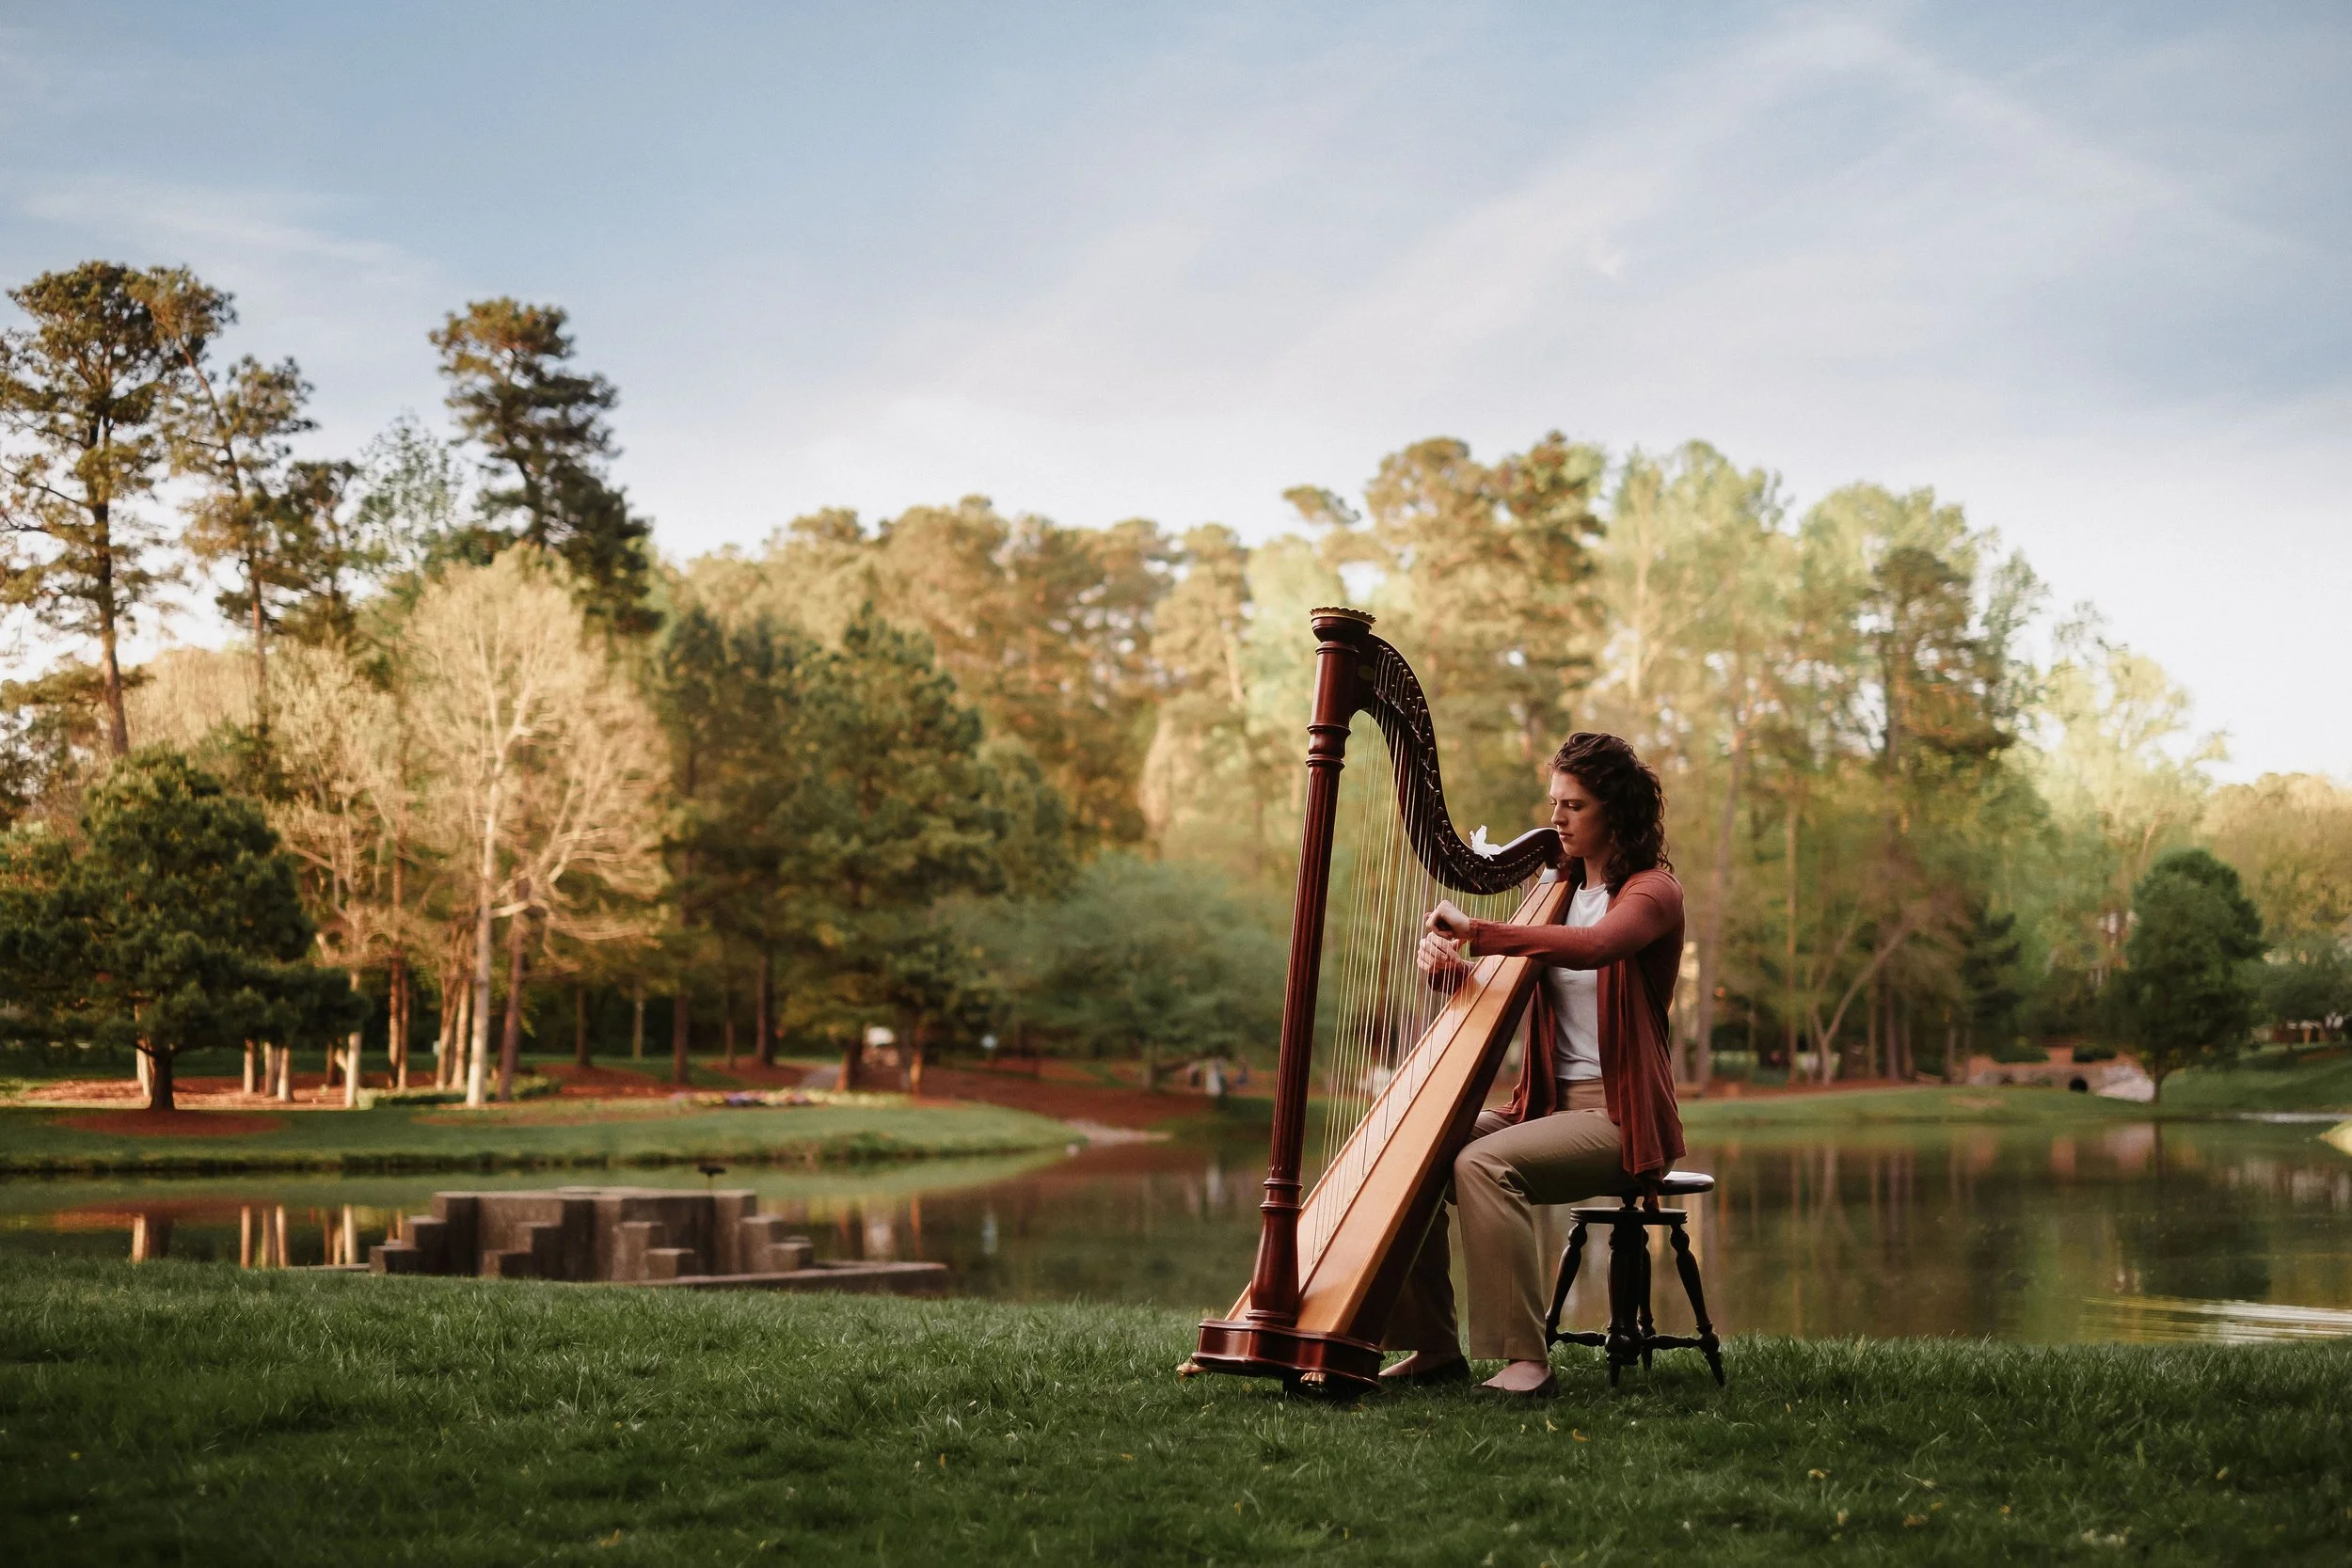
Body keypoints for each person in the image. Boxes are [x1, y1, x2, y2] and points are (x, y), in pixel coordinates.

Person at [1379, 731, 1686, 1396]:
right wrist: (1454, 972)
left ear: (1617, 810)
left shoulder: (1651, 893)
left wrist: (1481, 931)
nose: (1556, 818)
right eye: (1554, 802)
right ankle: (1434, 1346)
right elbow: (1509, 992)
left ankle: (1526, 1359)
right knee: (1416, 1146)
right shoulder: (1558, 894)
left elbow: (1598, 946)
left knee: (1482, 1161)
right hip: (1545, 1111)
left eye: (1574, 805)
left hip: (1618, 1118)